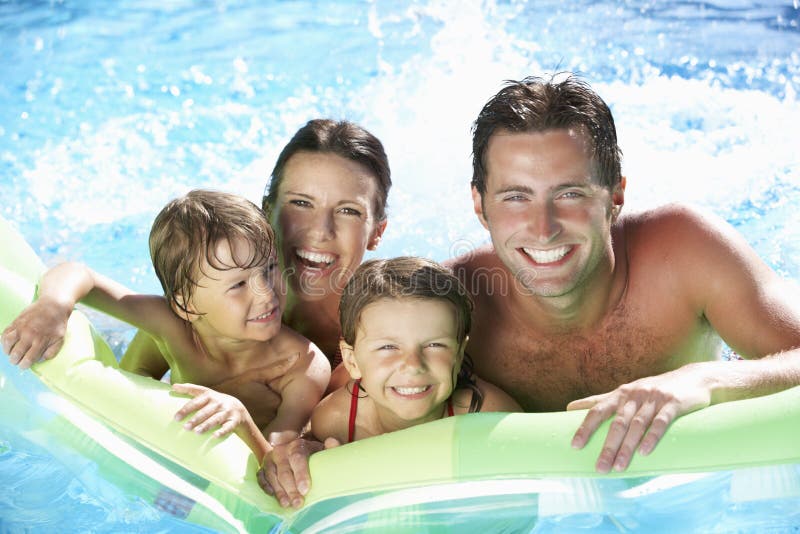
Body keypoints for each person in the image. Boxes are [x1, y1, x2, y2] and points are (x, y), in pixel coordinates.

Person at [258, 74, 800, 507]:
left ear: (615, 197)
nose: (542, 228)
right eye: (515, 196)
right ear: (479, 204)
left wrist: (707, 380)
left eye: (568, 194)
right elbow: (352, 396)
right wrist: (302, 449)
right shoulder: (448, 306)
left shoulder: (686, 251)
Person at [1, 190, 331, 454]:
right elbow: (79, 274)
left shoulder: (302, 366)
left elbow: (276, 461)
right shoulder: (176, 324)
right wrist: (53, 306)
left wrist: (241, 416)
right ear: (186, 305)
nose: (266, 294)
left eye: (269, 269)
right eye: (239, 285)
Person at [121, 119, 391, 426]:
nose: (320, 231)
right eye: (301, 203)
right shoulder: (201, 306)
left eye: (348, 211)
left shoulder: (376, 347)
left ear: (376, 233)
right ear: (265, 211)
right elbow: (120, 396)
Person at [309, 257, 520, 445]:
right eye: (388, 347)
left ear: (459, 353)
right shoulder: (335, 422)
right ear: (352, 361)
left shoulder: (491, 417)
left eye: (434, 345)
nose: (413, 365)